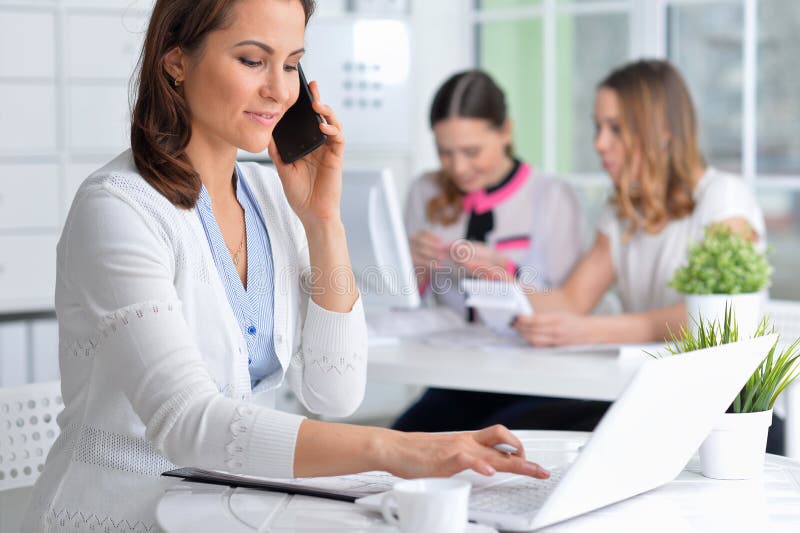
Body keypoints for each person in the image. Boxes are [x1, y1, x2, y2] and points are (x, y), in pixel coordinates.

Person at [22, 2, 548, 531]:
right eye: (253, 60)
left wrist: (324, 223)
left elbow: (334, 390)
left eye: (292, 63)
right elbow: (185, 422)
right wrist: (399, 448)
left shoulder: (271, 196)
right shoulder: (119, 207)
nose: (280, 90)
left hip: (228, 516)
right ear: (176, 62)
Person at [510, 59, 782, 453]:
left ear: (663, 131)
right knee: (517, 431)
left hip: (728, 413)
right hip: (650, 396)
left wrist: (592, 331)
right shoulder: (622, 211)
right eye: (598, 126)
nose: (599, 143)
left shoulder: (724, 198)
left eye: (616, 128)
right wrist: (503, 284)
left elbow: (707, 319)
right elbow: (572, 301)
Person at [392, 69, 584, 432]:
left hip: (540, 383)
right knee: (394, 446)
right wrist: (412, 268)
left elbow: (570, 307)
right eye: (445, 153)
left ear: (506, 131)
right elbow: (405, 306)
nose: (459, 167)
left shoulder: (554, 198)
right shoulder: (424, 192)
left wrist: (508, 275)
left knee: (488, 445)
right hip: (456, 380)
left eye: (471, 151)